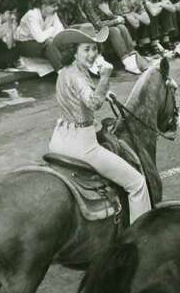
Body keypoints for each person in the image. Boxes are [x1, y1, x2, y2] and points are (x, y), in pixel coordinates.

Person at [49, 24, 150, 221]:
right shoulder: (79, 77)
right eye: (86, 49)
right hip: (83, 146)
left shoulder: (65, 71)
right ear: (74, 51)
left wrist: (102, 89)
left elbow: (78, 98)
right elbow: (93, 103)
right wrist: (105, 78)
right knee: (137, 183)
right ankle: (142, 231)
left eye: (94, 48)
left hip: (58, 140)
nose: (92, 54)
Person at [14, 0, 65, 71]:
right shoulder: (32, 15)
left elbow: (61, 31)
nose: (56, 8)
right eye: (54, 6)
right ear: (44, 6)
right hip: (23, 43)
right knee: (49, 47)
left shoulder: (52, 14)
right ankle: (62, 72)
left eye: (57, 6)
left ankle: (68, 69)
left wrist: (51, 38)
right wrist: (52, 29)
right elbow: (40, 38)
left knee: (62, 45)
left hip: (41, 42)